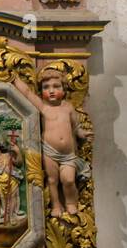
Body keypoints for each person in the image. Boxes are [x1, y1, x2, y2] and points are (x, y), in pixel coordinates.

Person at [16, 67, 92, 217]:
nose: (51, 90)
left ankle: (70, 202)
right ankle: (56, 205)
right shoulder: (43, 107)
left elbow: (76, 127)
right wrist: (14, 79)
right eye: (46, 87)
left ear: (64, 89)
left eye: (56, 86)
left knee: (68, 180)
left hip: (68, 154)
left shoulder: (68, 107)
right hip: (49, 150)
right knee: (52, 180)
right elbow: (27, 93)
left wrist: (83, 134)